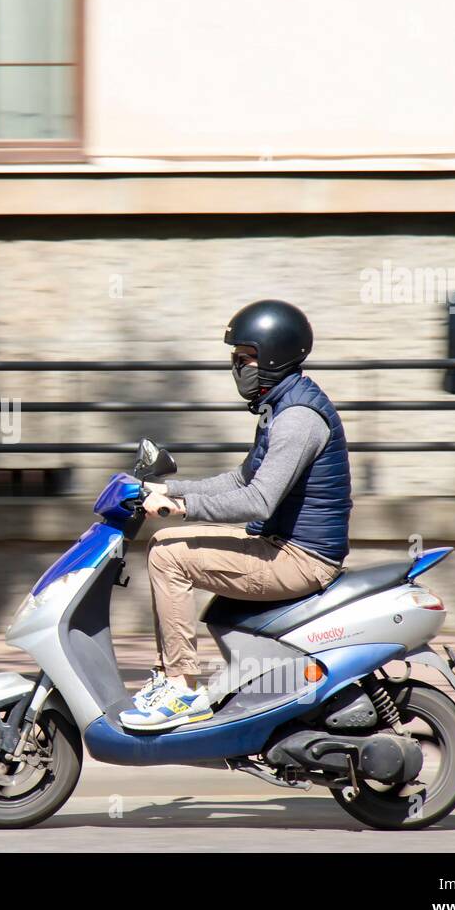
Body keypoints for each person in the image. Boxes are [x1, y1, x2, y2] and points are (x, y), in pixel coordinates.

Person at [120, 300, 352, 731]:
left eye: (245, 358)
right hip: (280, 545)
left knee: (168, 555)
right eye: (235, 358)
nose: (237, 367)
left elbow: (259, 500)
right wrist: (170, 489)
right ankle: (172, 676)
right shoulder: (280, 408)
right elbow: (242, 478)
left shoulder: (298, 419)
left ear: (274, 356)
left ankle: (182, 688)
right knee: (166, 544)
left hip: (301, 557)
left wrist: (182, 508)